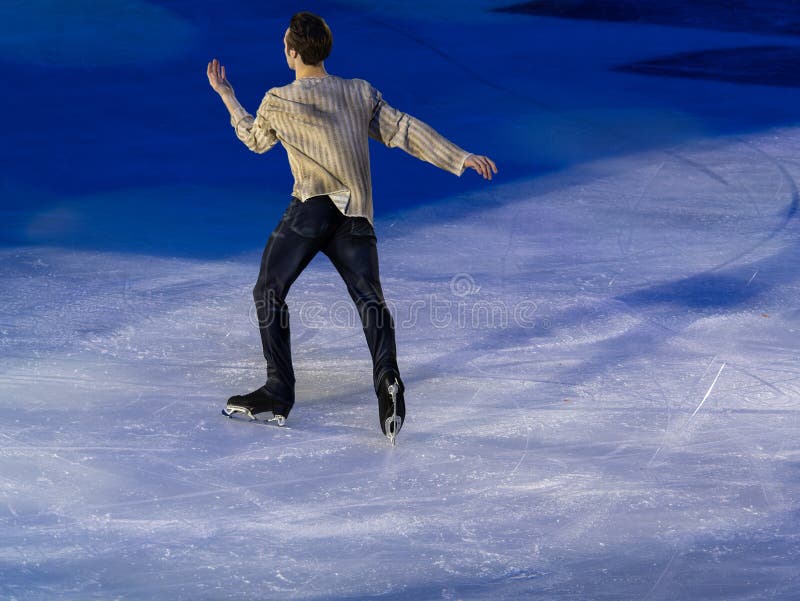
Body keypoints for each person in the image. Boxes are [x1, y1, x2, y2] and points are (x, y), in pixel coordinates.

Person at [207, 11, 497, 442]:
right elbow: (404, 130)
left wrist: (228, 97)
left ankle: (278, 391)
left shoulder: (278, 99)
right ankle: (388, 382)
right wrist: (459, 157)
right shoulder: (360, 92)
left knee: (269, 289)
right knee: (370, 299)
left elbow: (255, 140)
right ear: (325, 49)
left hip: (311, 209)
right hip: (356, 213)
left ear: (291, 51)